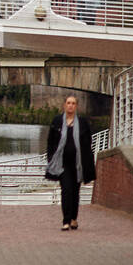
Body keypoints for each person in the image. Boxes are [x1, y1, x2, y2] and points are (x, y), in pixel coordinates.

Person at [45, 95, 96, 231]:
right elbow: (50, 142)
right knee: (66, 190)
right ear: (64, 105)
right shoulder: (57, 121)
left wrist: (87, 163)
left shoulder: (82, 123)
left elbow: (87, 144)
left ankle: (74, 218)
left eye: (73, 103)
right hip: (63, 164)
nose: (70, 106)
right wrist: (51, 158)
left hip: (77, 164)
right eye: (68, 103)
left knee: (75, 192)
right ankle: (66, 221)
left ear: (76, 106)